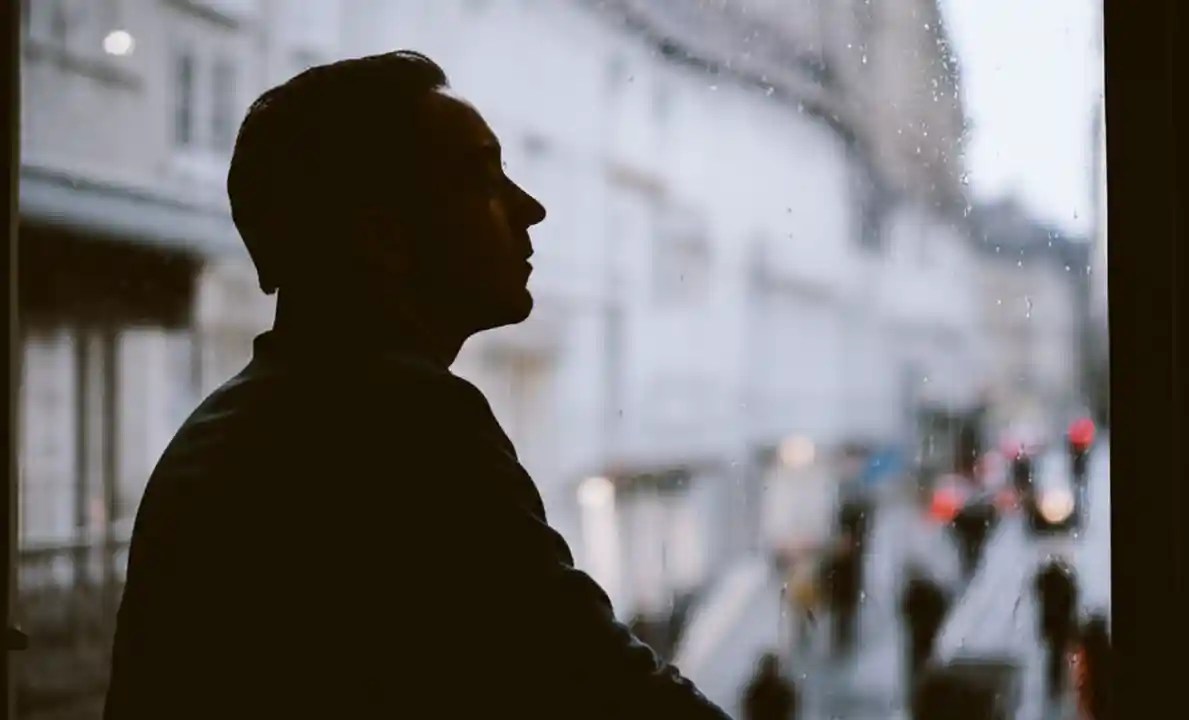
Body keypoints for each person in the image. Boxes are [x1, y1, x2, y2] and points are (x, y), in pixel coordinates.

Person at [104, 51, 729, 719]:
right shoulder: (401, 422)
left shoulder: (231, 423)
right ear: (383, 236)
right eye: (484, 179)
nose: (531, 207)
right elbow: (597, 681)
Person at [1034, 558, 1079, 697]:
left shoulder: (1048, 582)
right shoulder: (1065, 583)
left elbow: (1036, 587)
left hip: (1051, 622)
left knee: (1054, 655)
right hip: (1061, 623)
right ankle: (1058, 683)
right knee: (1058, 654)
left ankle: (1054, 684)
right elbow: (1073, 597)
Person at [902, 566, 951, 690]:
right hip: (927, 600)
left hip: (930, 600)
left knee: (923, 651)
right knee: (922, 650)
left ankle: (922, 686)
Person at [741, 652, 798, 720]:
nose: (770, 671)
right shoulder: (755, 691)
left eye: (772, 668)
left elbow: (791, 712)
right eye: (768, 668)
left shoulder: (784, 691)